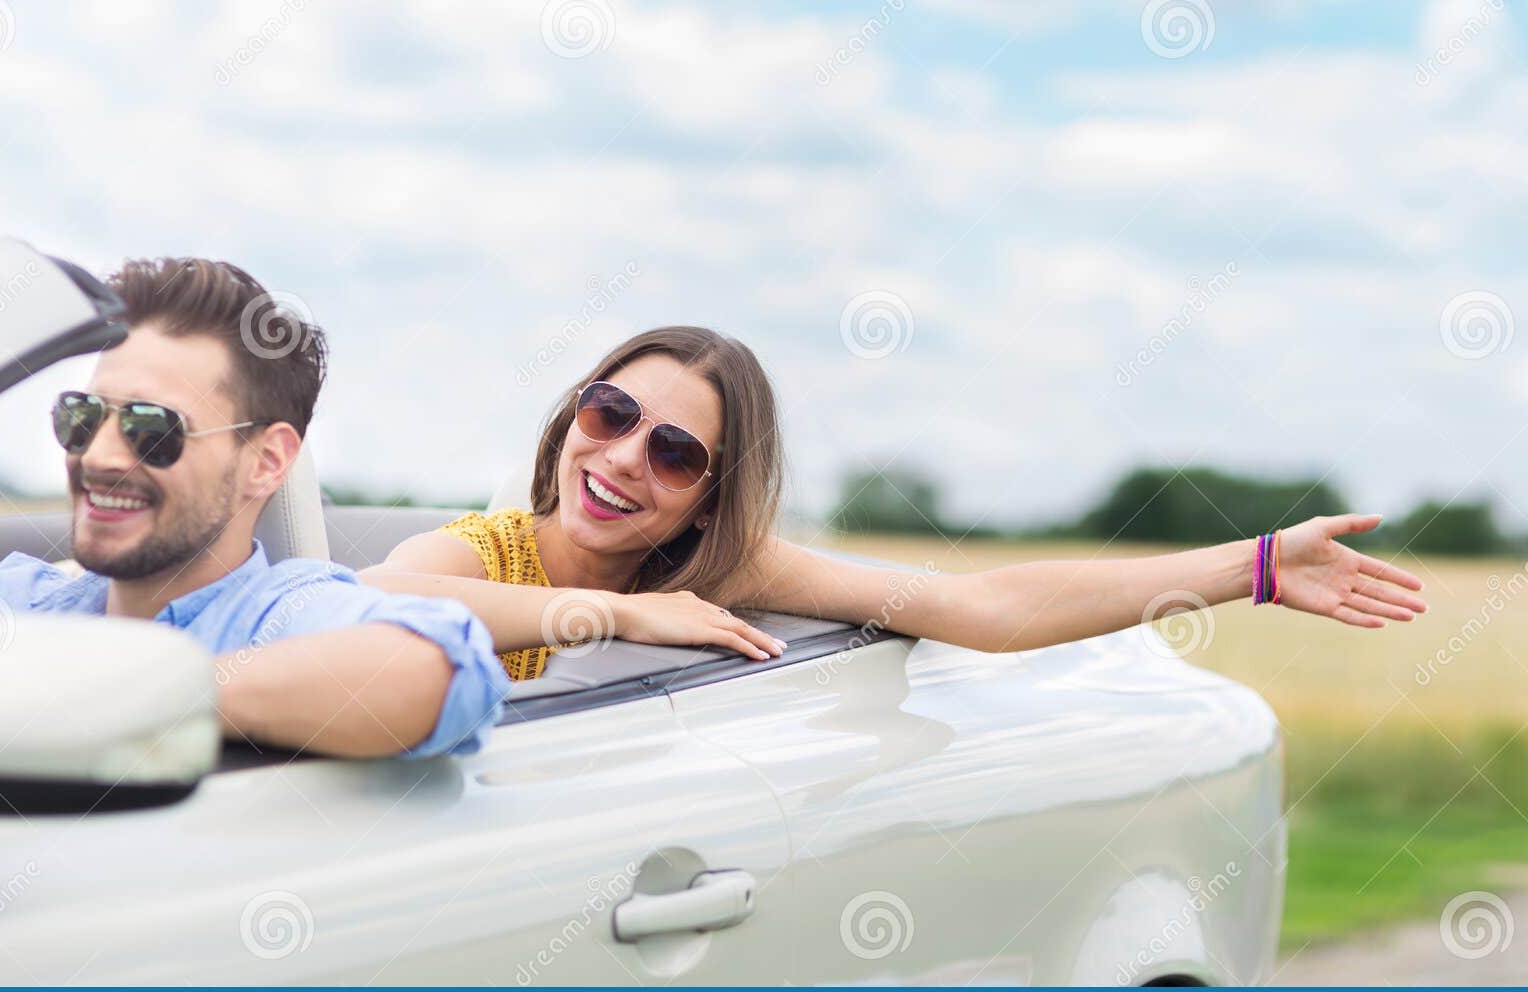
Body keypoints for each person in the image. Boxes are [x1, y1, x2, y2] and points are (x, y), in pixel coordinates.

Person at [361, 326, 1427, 680]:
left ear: (709, 500)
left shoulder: (716, 569)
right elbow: (370, 600)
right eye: (610, 411)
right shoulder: (480, 552)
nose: (626, 456)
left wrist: (1251, 565)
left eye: (677, 450)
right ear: (570, 419)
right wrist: (618, 614)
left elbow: (986, 608)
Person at [0, 258, 507, 758]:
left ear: (266, 461)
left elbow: (439, 667)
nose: (99, 455)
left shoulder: (280, 616)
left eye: (151, 428)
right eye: (82, 416)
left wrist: (126, 698)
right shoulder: (20, 600)